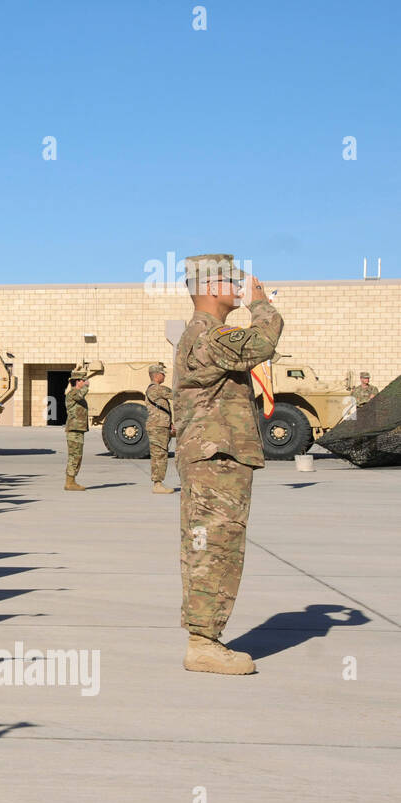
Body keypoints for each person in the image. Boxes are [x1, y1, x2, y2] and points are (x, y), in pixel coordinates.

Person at [175, 254, 283, 675]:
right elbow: (262, 343)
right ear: (210, 287)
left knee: (212, 546)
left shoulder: (204, 334)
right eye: (232, 281)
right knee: (213, 549)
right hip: (214, 460)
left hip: (215, 459)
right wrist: (261, 304)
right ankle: (203, 643)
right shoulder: (209, 335)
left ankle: (204, 639)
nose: (239, 287)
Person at [146, 362, 174, 494]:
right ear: (157, 375)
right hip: (158, 427)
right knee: (159, 455)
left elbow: (162, 410)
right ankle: (158, 484)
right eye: (163, 374)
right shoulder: (156, 389)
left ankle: (158, 483)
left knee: (160, 454)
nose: (164, 377)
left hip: (160, 426)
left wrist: (170, 423)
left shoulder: (154, 389)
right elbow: (175, 395)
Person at [63, 370, 90, 491]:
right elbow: (80, 395)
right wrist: (86, 387)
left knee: (77, 456)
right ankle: (69, 482)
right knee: (74, 456)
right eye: (83, 380)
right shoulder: (73, 393)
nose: (85, 382)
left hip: (78, 429)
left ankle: (72, 481)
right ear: (78, 381)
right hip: (74, 429)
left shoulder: (76, 393)